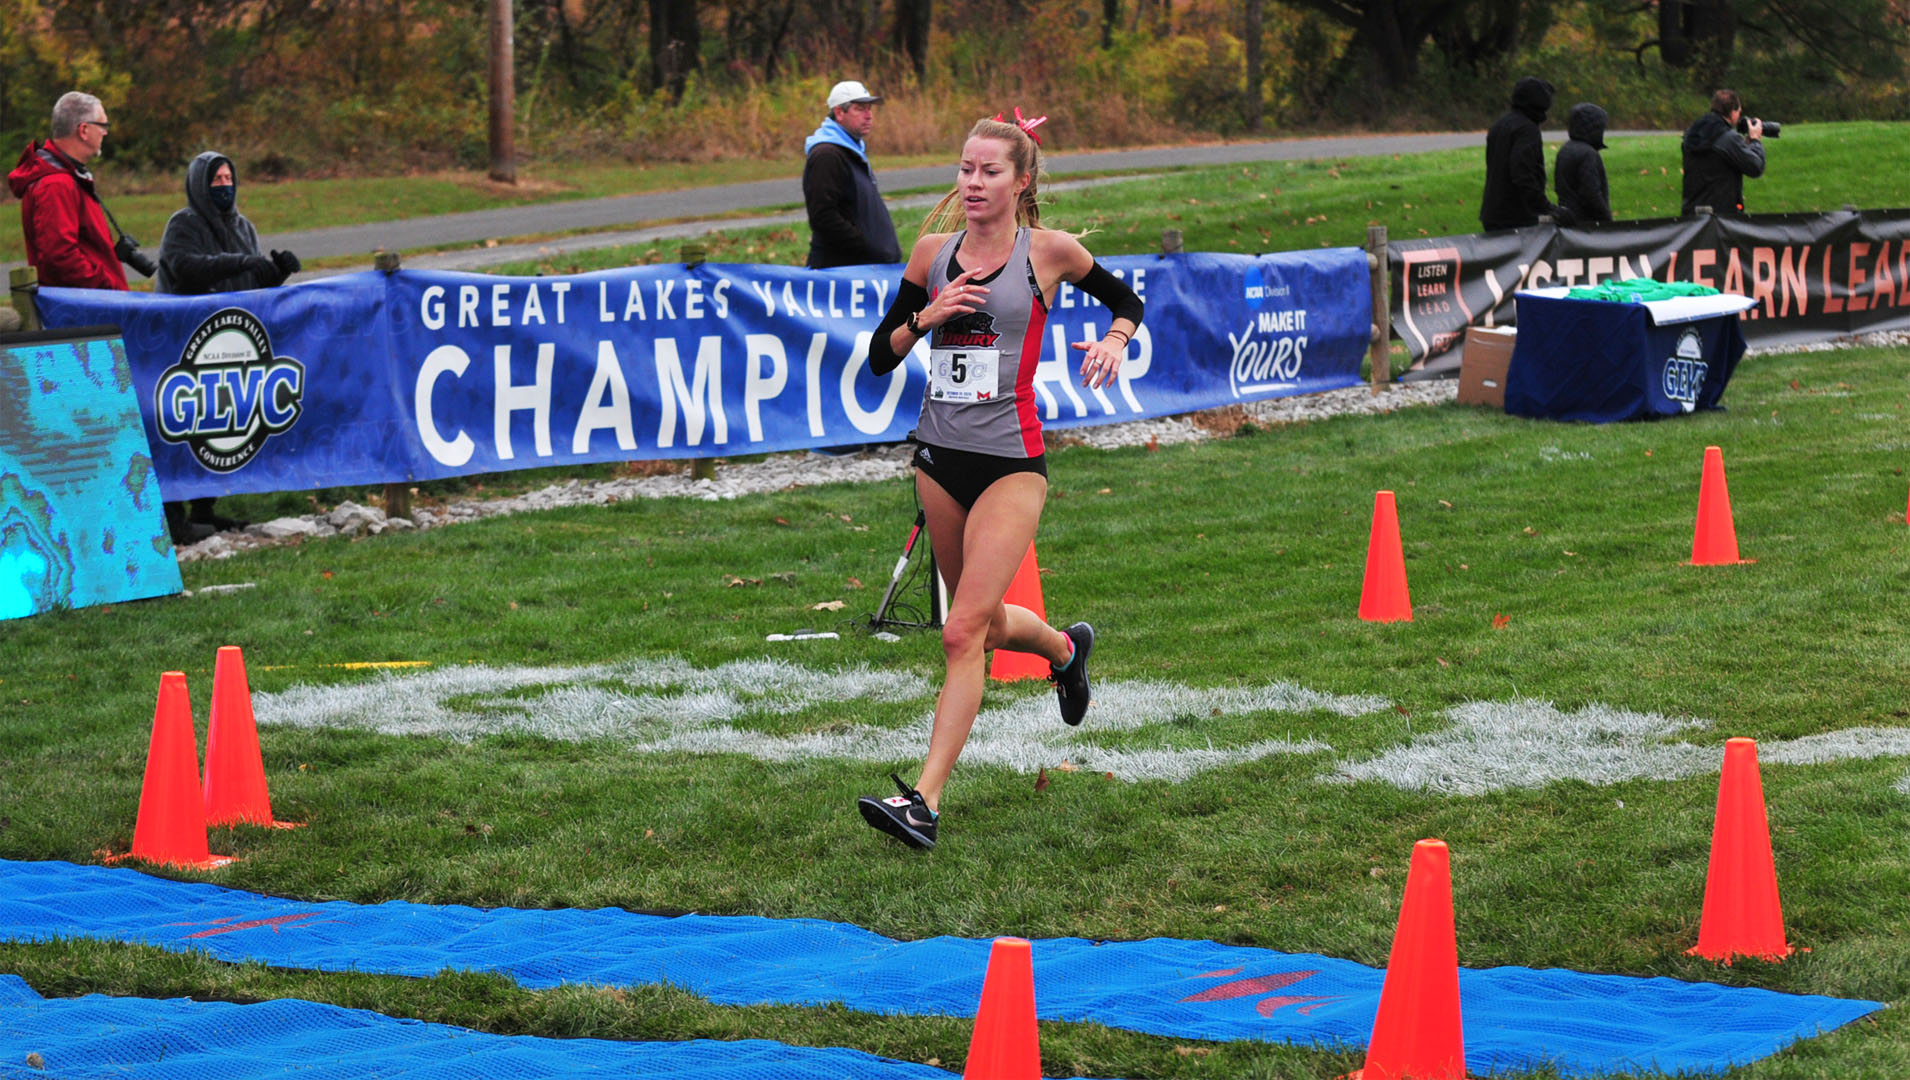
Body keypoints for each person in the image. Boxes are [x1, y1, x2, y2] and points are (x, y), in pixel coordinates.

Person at [854, 112, 1144, 850]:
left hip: (1013, 463)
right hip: (938, 462)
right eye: (964, 169)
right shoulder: (931, 253)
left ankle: (923, 802)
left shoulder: (1048, 252)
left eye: (988, 171)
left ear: (1022, 180)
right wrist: (926, 316)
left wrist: (1113, 341)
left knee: (959, 633)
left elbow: (1127, 303)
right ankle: (1065, 651)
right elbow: (878, 359)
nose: (972, 183)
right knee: (977, 630)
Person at [154, 151, 301, 542]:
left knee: (221, 427)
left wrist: (277, 270)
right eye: (215, 180)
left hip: (230, 343)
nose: (224, 186)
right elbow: (185, 265)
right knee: (182, 428)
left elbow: (253, 281)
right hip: (184, 341)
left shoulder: (244, 226)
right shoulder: (182, 224)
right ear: (199, 185)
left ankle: (207, 509)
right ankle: (175, 516)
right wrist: (239, 262)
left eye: (227, 178)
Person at [7, 91, 154, 290]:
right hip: (85, 313)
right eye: (103, 125)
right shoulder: (56, 185)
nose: (106, 132)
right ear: (83, 130)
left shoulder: (67, 178)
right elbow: (59, 258)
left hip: (89, 308)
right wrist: (109, 287)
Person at [802, 80, 902, 270]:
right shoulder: (826, 155)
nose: (869, 116)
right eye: (860, 109)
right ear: (839, 112)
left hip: (861, 269)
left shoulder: (852, 151)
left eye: (870, 108)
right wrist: (868, 247)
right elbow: (823, 217)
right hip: (843, 273)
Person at [1479, 76, 1570, 231]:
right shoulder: (1527, 130)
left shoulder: (1501, 124)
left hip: (1493, 211)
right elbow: (1522, 173)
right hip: (1515, 215)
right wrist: (1548, 208)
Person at [1681, 89, 1765, 217]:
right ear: (1732, 112)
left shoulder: (1692, 134)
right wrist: (1755, 141)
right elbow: (1756, 167)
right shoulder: (1727, 138)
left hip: (1691, 215)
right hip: (1722, 217)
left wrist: (1743, 146)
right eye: (1739, 112)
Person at [1555, 103, 1613, 226]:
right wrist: (1606, 218)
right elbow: (1591, 193)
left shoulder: (1565, 149)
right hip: (1587, 223)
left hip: (1568, 218)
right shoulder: (1588, 154)